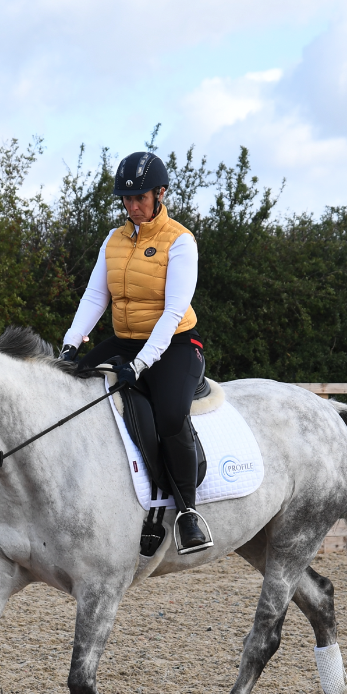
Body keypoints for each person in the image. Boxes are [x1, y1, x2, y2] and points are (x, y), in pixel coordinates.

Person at [60, 151, 212, 555]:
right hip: (125, 340)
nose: (132, 206)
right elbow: (96, 295)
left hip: (175, 344)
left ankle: (187, 512)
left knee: (169, 414)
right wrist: (71, 344)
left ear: (160, 193)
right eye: (126, 200)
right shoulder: (114, 239)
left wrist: (141, 364)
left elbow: (174, 310)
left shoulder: (180, 241)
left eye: (140, 198)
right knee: (66, 384)